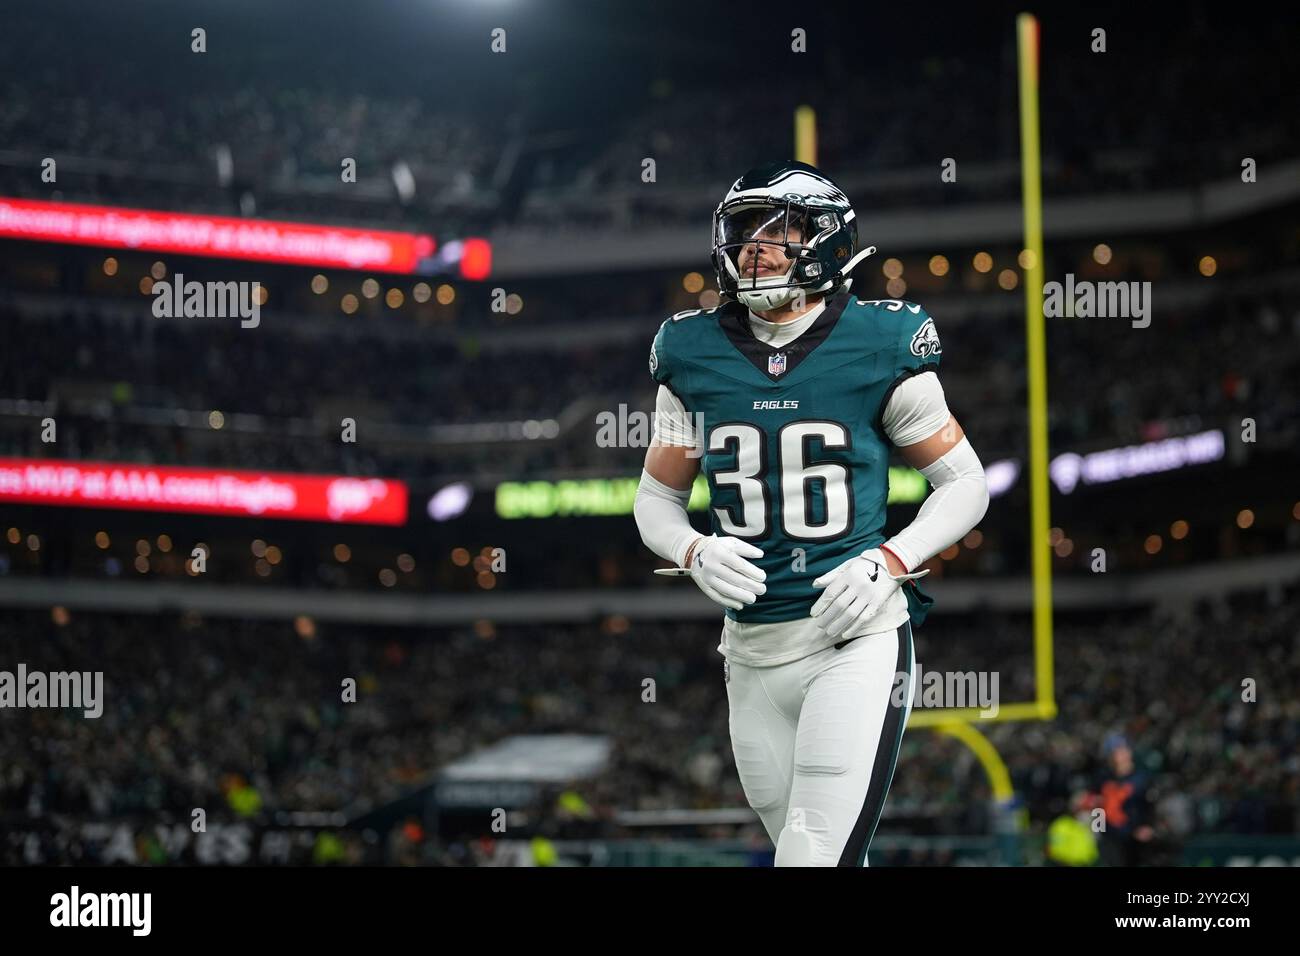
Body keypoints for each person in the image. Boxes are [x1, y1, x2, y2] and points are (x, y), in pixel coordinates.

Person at [634, 160, 989, 865]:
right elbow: (658, 498)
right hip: (751, 651)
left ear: (825, 239)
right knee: (815, 855)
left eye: (779, 230)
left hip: (853, 637)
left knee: (812, 853)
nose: (755, 248)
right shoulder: (690, 350)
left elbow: (964, 483)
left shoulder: (880, 341)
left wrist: (891, 561)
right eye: (743, 232)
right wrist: (691, 550)